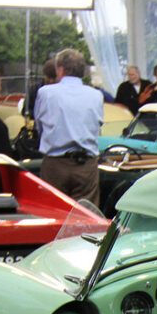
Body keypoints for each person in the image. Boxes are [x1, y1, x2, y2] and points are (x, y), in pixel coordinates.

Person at [34, 48, 104, 205]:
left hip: (55, 163)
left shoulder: (46, 93)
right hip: (86, 165)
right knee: (86, 216)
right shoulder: (96, 95)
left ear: (60, 69)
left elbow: (40, 125)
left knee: (54, 212)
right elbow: (97, 126)